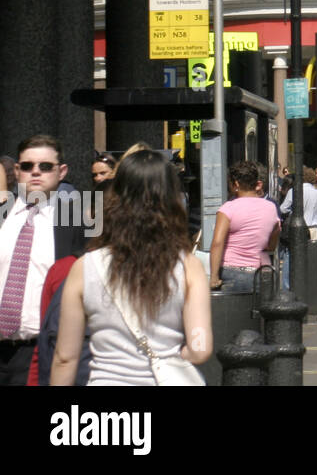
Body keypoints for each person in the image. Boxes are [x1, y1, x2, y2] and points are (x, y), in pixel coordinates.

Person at [51, 148, 211, 386]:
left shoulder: (85, 267)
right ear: (174, 199)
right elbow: (200, 349)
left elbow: (65, 357)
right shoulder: (189, 266)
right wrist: (171, 359)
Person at [0, 135, 87, 386]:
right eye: (27, 166)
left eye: (45, 166)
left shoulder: (75, 222)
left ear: (61, 172)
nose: (35, 172)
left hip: (42, 351)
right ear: (17, 171)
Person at [208, 161, 280, 293]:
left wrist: (213, 277)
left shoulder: (228, 209)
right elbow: (271, 246)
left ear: (235, 184)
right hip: (262, 272)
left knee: (232, 312)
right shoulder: (271, 208)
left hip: (232, 271)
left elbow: (218, 243)